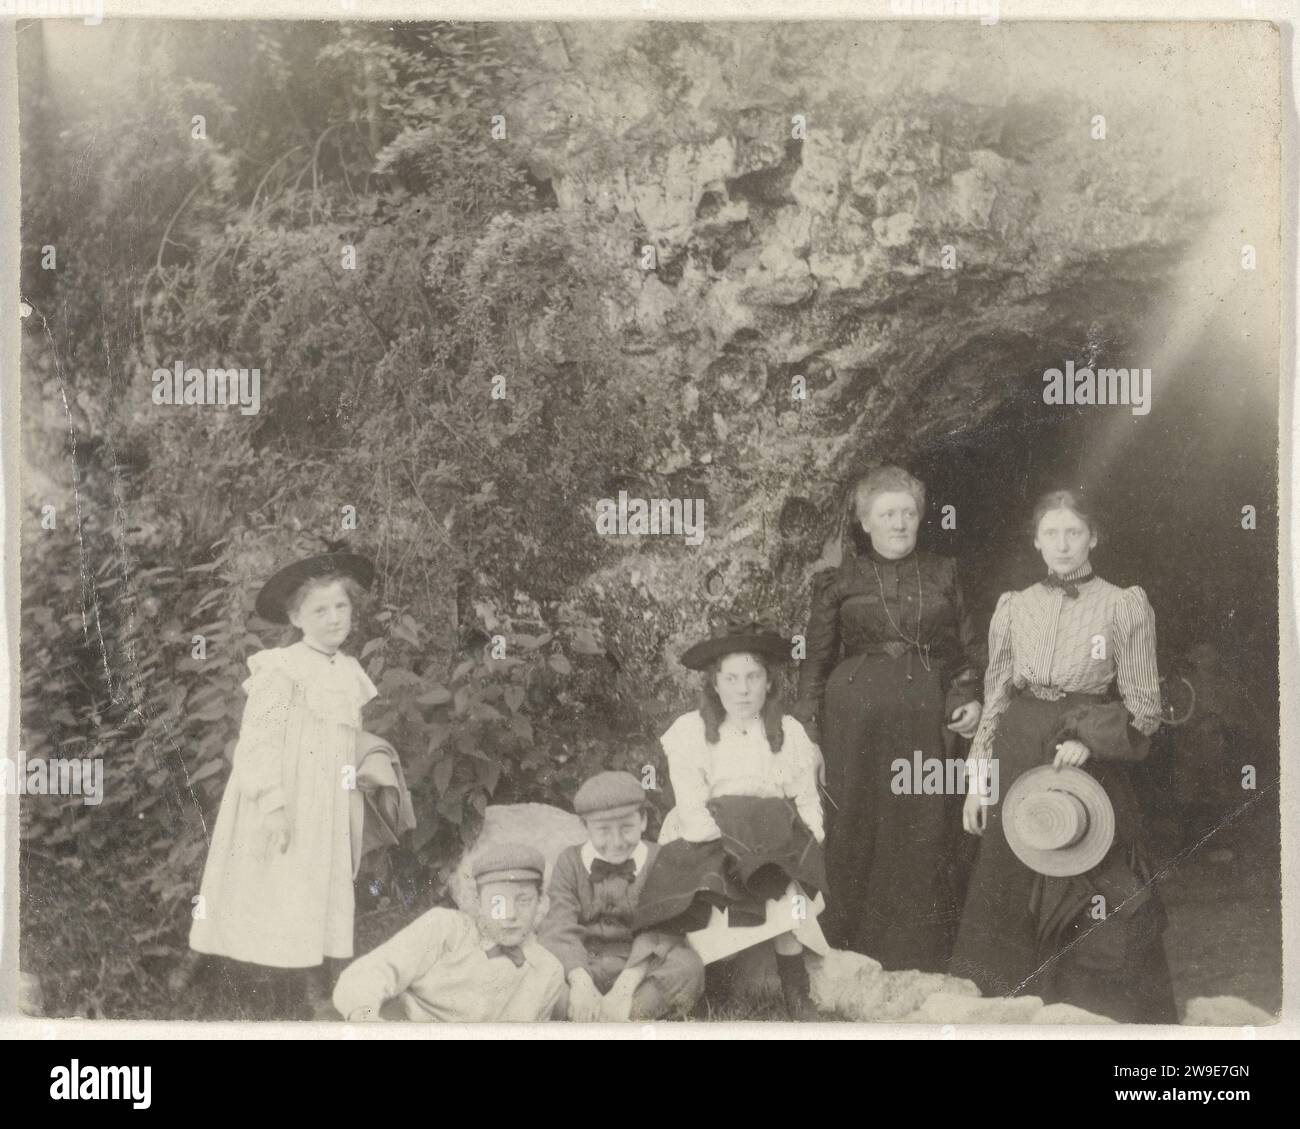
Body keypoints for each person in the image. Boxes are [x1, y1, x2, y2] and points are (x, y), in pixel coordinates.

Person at [950, 489, 1178, 1023]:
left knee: (1086, 875)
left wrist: (1090, 740)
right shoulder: (1014, 606)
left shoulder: (1124, 605)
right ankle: (1015, 1019)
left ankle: (1088, 1016)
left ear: (1093, 536)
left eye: (1073, 532)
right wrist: (978, 782)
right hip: (1018, 752)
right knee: (1009, 884)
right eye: (1050, 533)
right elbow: (998, 694)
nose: (1062, 544)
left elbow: (1146, 705)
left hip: (1087, 762)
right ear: (1036, 541)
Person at [794, 465, 984, 970]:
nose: (899, 523)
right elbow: (815, 663)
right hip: (853, 725)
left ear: (920, 518)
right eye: (886, 514)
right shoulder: (836, 581)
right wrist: (810, 735)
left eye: (907, 512)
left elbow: (970, 654)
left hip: (927, 720)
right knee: (854, 822)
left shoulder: (946, 572)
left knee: (925, 823)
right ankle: (845, 950)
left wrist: (970, 698)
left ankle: (919, 954)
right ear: (865, 521)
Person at [186, 551, 380, 1018]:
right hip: (285, 797)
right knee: (273, 887)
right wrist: (273, 804)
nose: (334, 619)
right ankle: (220, 982)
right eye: (320, 611)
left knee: (320, 886)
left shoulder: (348, 672)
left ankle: (317, 987)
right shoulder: (281, 669)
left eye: (341, 608)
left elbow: (345, 741)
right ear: (296, 617)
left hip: (328, 800)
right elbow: (257, 743)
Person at [632, 616, 827, 1020]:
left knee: (784, 888)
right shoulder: (691, 732)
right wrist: (735, 839)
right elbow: (693, 810)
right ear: (714, 684)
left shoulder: (788, 733)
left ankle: (796, 990)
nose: (743, 690)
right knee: (708, 891)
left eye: (753, 677)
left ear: (769, 682)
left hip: (769, 840)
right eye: (732, 679)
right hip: (709, 839)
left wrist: (806, 838)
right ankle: (711, 981)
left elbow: (807, 799)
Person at [333, 842, 564, 1022]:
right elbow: (369, 973)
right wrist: (366, 1019)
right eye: (497, 903)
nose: (510, 914)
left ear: (540, 902)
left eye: (524, 901)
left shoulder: (548, 971)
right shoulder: (444, 928)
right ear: (478, 902)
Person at [539, 771, 705, 1021]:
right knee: (537, 974)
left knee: (688, 968)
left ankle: (616, 1015)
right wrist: (581, 983)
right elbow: (559, 927)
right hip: (583, 966)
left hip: (640, 971)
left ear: (643, 821)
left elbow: (661, 929)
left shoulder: (659, 858)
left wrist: (624, 989)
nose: (616, 842)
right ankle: (603, 1015)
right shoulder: (569, 861)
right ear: (585, 827)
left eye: (626, 828)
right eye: (603, 830)